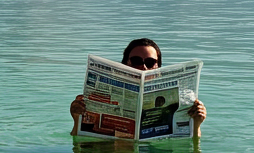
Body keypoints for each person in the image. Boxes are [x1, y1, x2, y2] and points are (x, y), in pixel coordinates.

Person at [70, 38, 207, 138]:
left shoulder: (180, 99)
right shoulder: (97, 96)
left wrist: (196, 124)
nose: (143, 67)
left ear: (158, 68)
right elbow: (80, 143)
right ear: (125, 64)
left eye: (150, 62)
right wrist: (77, 119)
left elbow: (192, 151)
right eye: (136, 61)